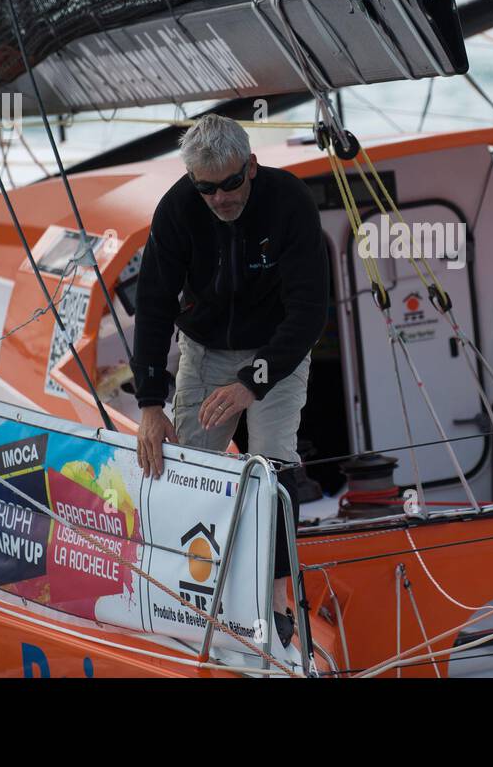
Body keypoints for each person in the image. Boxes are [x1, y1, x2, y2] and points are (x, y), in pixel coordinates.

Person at [129, 113, 328, 649]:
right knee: (188, 463)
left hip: (275, 353)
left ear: (252, 167)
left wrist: (252, 382)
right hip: (206, 350)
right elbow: (151, 306)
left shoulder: (289, 202)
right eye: (207, 188)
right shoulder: (176, 211)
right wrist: (151, 403)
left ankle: (282, 599)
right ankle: (193, 583)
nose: (220, 198)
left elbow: (309, 312)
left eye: (232, 183)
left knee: (271, 461)